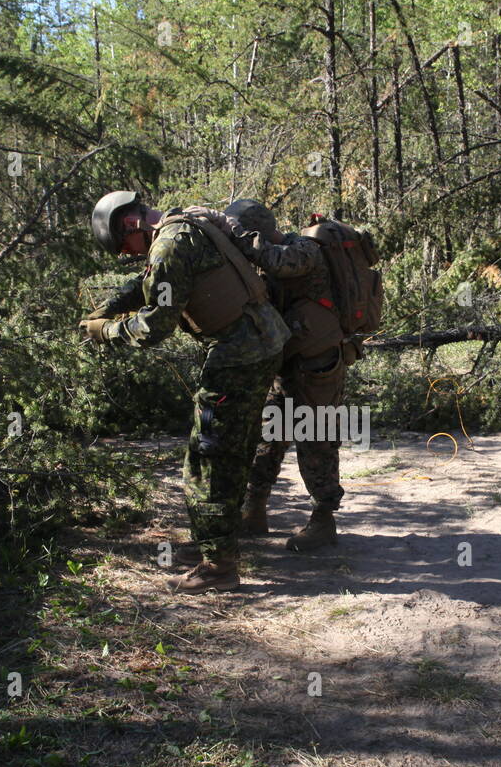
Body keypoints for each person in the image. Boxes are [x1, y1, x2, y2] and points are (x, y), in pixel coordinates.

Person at [82, 191, 288, 592]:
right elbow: (148, 283)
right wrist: (108, 306)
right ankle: (215, 541)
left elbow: (155, 325)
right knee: (233, 448)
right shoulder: (189, 222)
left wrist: (105, 331)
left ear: (130, 225)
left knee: (207, 457)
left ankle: (219, 566)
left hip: (236, 360)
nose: (130, 253)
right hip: (262, 344)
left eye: (126, 247)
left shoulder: (168, 245)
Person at [226, 198, 352, 552]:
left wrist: (239, 237)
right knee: (269, 434)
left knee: (316, 441)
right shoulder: (268, 254)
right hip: (289, 364)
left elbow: (278, 262)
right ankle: (254, 510)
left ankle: (323, 521)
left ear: (256, 229)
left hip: (318, 366)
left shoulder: (303, 249)